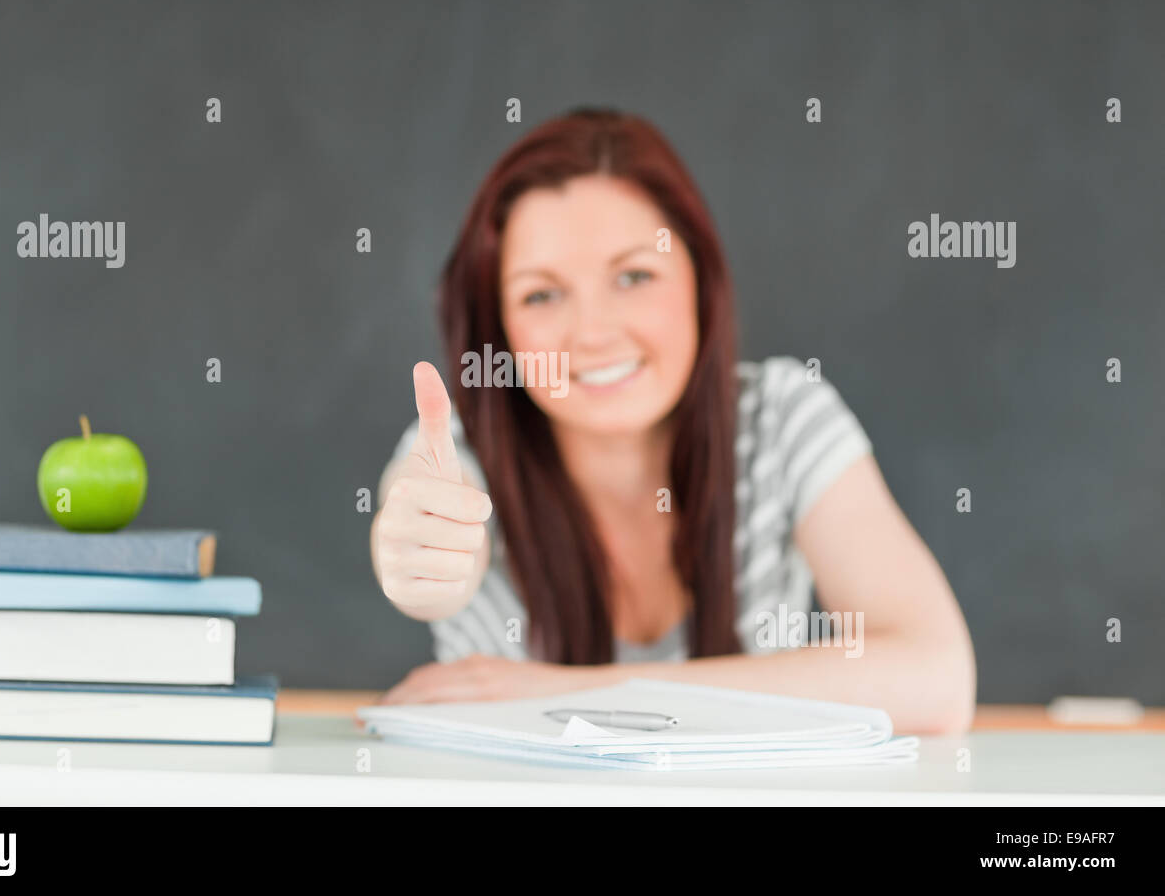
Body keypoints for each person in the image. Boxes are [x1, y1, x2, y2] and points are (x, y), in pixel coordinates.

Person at [369, 107, 975, 733]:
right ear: (500, 327)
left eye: (634, 276)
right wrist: (417, 559)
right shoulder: (457, 457)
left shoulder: (781, 419)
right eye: (541, 295)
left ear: (699, 281)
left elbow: (936, 680)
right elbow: (424, 546)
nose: (594, 333)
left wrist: (570, 693)